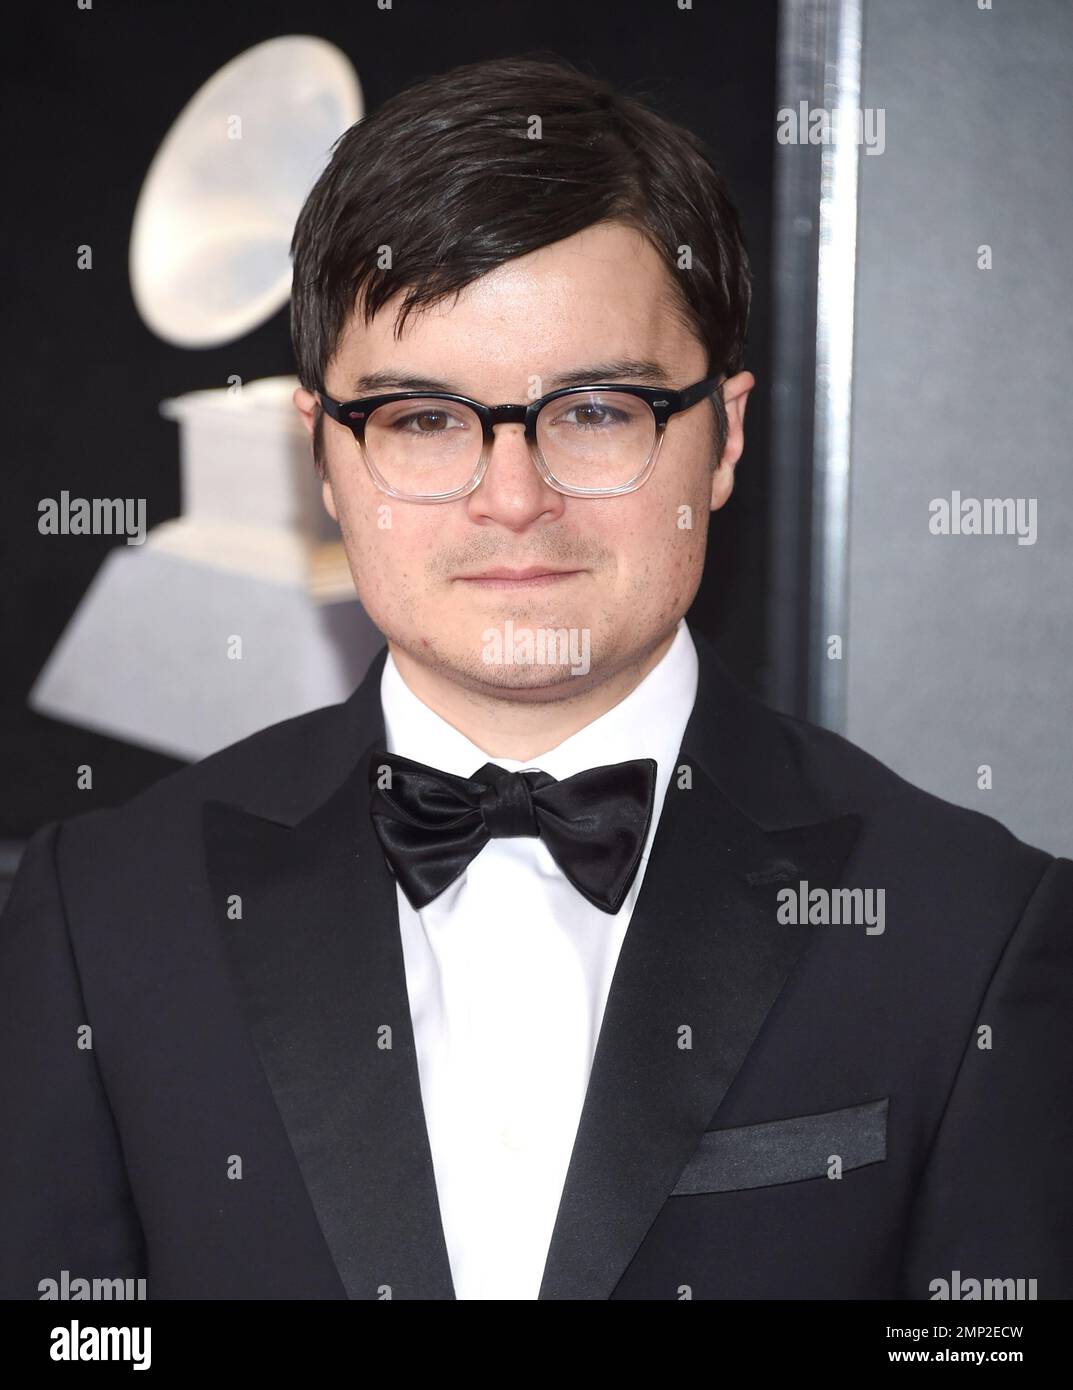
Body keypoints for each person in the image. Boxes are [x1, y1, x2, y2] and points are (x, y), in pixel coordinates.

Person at [1, 55, 1070, 1303]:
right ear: (323, 458)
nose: (513, 499)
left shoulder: (971, 926)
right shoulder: (102, 915)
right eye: (421, 418)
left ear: (719, 437)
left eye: (597, 411)